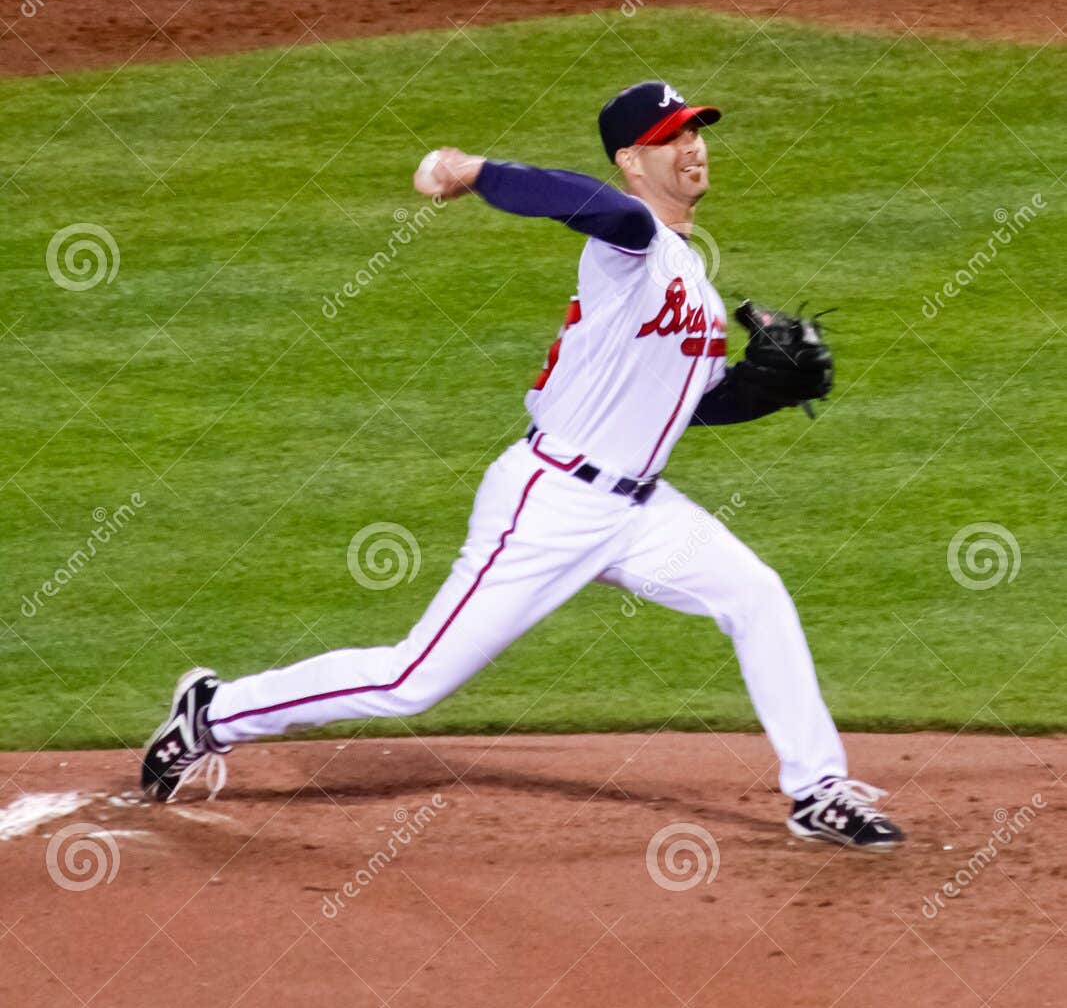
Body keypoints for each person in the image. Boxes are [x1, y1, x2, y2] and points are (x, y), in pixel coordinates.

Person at [142, 79, 904, 850]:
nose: (693, 146)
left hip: (638, 513)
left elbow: (694, 405)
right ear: (630, 160)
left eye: (696, 131)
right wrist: (474, 171)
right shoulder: (629, 239)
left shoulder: (692, 286)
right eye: (672, 136)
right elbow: (583, 201)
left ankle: (817, 789)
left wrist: (767, 391)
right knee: (411, 681)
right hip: (549, 503)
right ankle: (214, 712)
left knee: (757, 596)